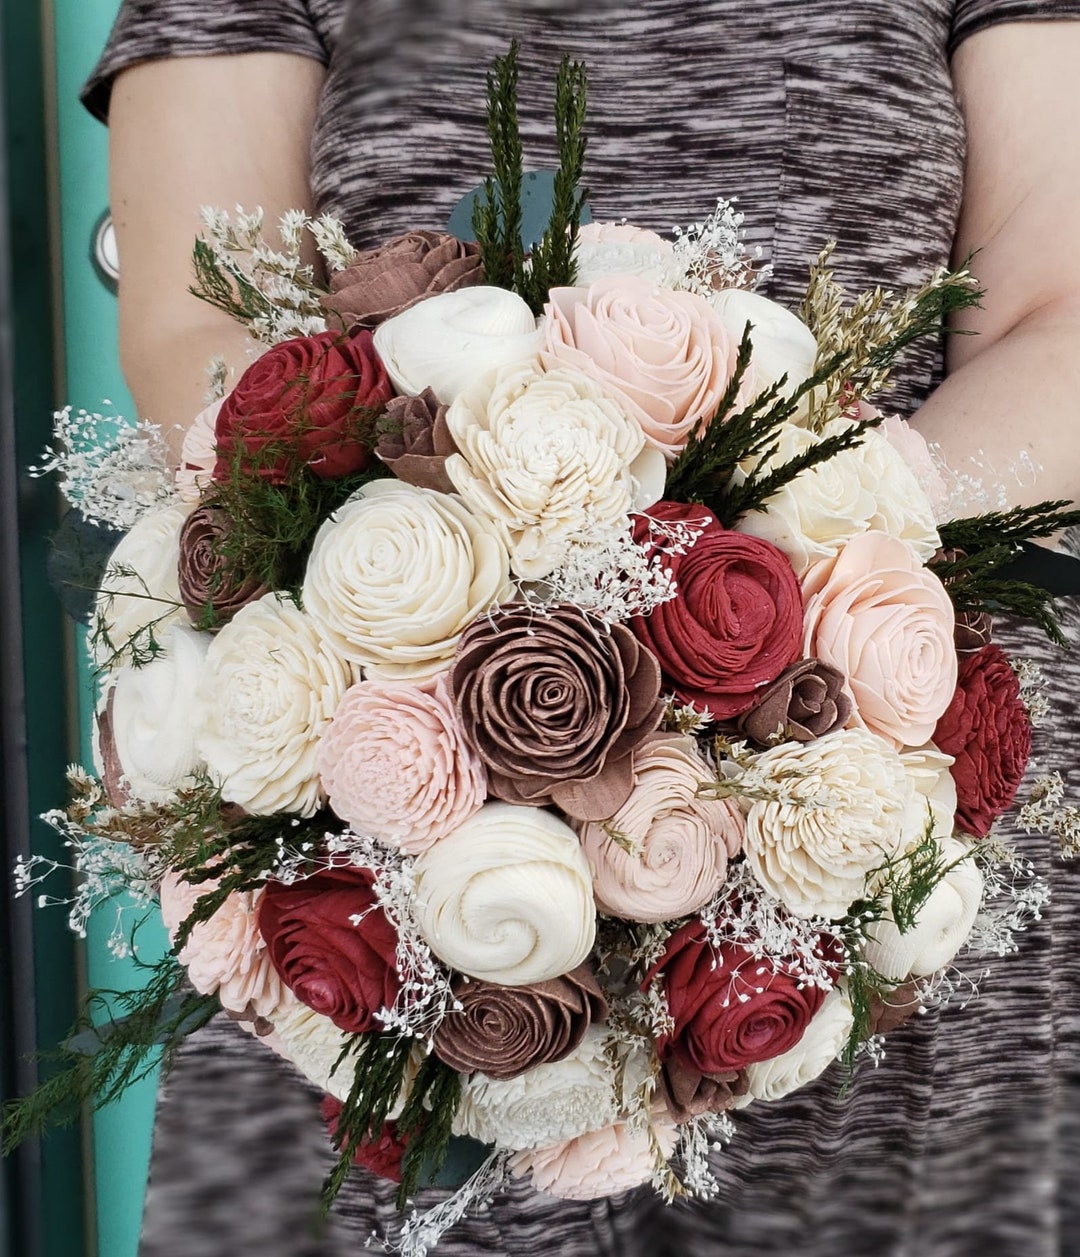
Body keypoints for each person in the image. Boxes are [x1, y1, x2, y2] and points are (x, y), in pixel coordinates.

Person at [81, 3, 1080, 1255]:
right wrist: (466, 578)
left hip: (865, 776)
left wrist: (782, 568)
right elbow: (197, 325)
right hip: (379, 800)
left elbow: (1063, 314)